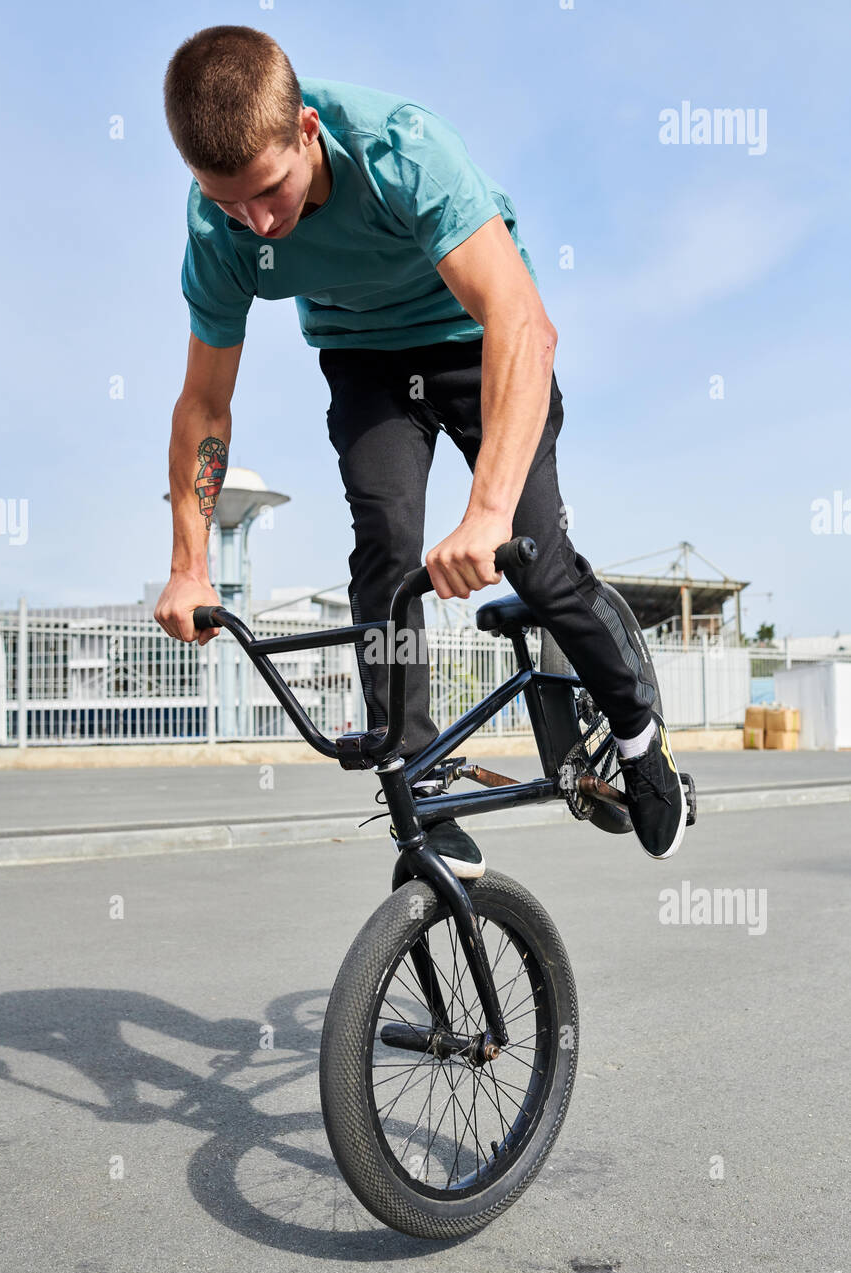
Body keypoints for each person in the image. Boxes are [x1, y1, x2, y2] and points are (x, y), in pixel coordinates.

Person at [155, 24, 686, 875]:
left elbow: (524, 323)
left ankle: (638, 732)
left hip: (481, 341)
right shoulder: (218, 234)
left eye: (268, 191)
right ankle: (422, 777)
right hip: (364, 358)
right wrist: (188, 564)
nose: (257, 222)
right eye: (229, 203)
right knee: (385, 546)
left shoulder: (403, 151)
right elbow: (205, 400)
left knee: (533, 557)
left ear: (306, 133)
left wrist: (484, 515)